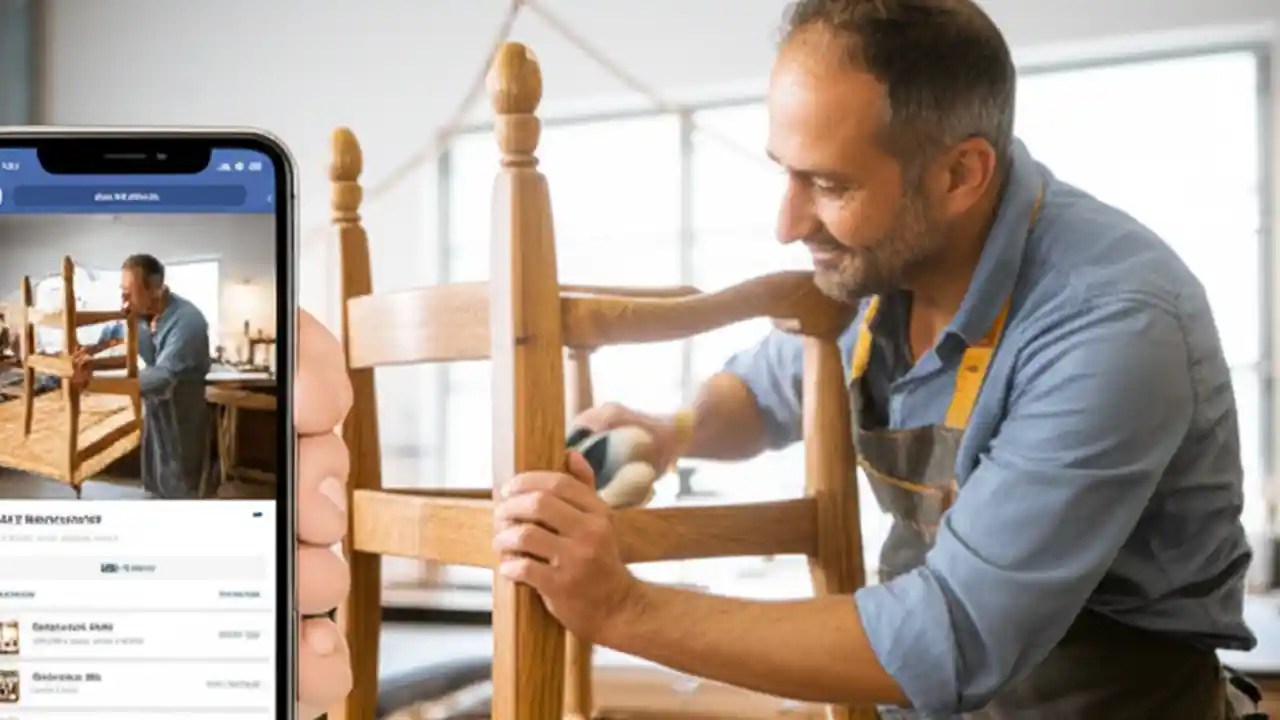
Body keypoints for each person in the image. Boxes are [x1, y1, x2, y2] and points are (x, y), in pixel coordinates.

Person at [485, 1, 1259, 718]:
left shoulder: (1111, 323)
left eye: (827, 184)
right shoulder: (881, 273)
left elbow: (957, 632)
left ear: (961, 174)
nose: (787, 224)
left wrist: (623, 607)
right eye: (784, 171)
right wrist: (674, 430)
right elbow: (768, 387)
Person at [70, 254, 212, 498]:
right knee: (154, 481)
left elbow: (163, 377)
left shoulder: (189, 322)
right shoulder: (139, 314)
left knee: (181, 482)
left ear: (155, 290)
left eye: (129, 291)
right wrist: (90, 351)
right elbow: (116, 331)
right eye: (122, 290)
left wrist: (93, 384)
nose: (123, 298)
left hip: (182, 412)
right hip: (155, 409)